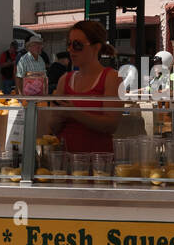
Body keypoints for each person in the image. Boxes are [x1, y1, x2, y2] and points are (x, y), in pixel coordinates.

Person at [43, 20, 121, 153]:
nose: (71, 50)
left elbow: (111, 125)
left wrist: (74, 113)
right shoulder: (65, 79)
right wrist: (58, 117)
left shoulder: (112, 78)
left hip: (98, 163)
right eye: (69, 44)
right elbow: (53, 127)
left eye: (77, 45)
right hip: (65, 162)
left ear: (96, 47)